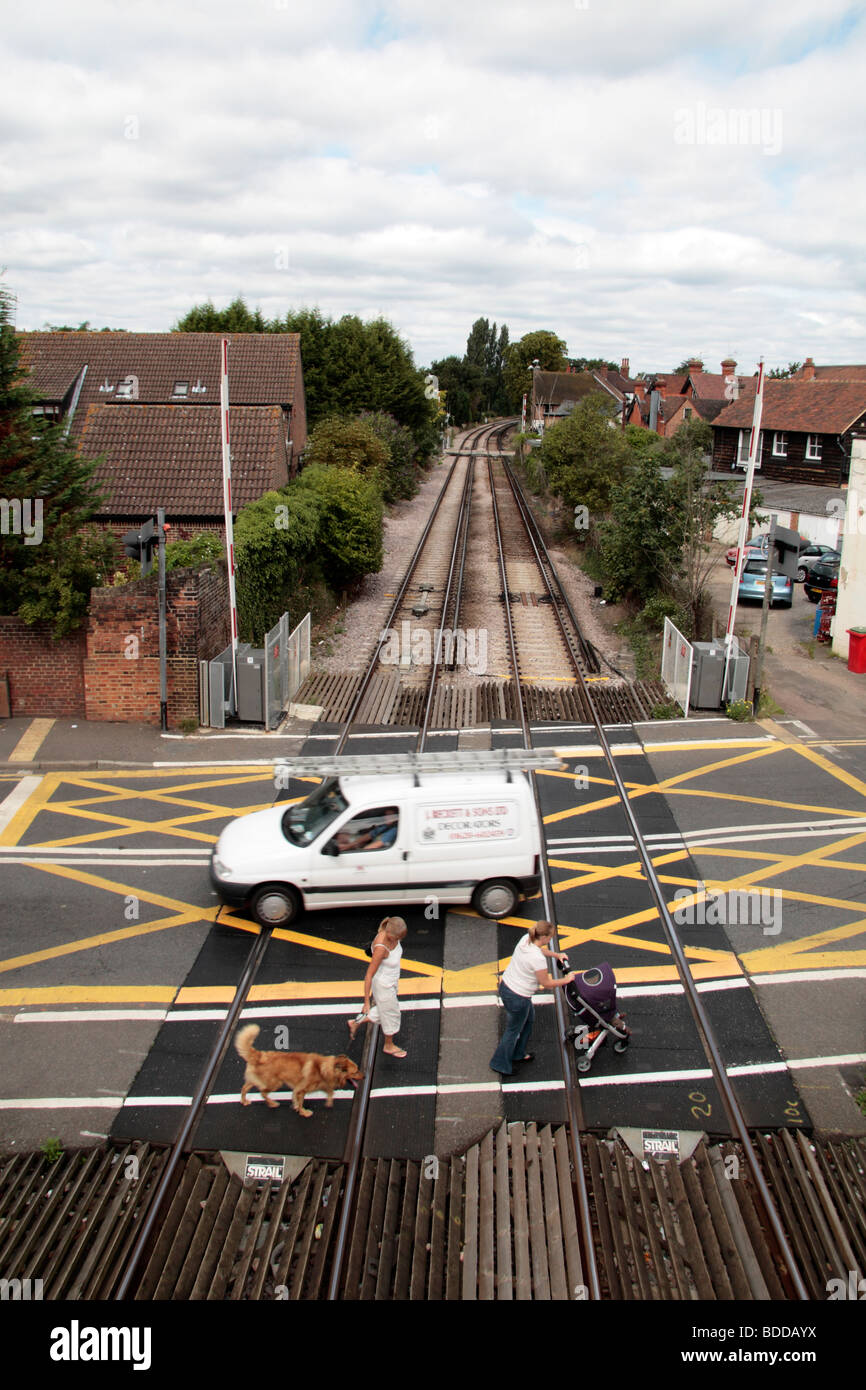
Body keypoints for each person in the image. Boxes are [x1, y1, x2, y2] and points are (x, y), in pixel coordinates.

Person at [489, 921, 576, 1077]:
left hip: (508, 987)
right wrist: (567, 979)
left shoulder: (526, 939)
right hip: (518, 996)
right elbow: (546, 983)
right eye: (550, 938)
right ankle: (500, 1063)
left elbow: (540, 951)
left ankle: (518, 1053)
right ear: (543, 937)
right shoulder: (537, 959)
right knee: (513, 1030)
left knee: (529, 1020)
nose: (550, 940)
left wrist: (556, 955)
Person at [348, 915, 408, 1058]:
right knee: (392, 1014)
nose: (398, 941)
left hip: (391, 980)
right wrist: (366, 1002)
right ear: (389, 934)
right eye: (396, 938)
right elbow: (368, 975)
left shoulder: (392, 936)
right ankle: (388, 1045)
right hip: (383, 985)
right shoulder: (381, 948)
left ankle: (355, 1022)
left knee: (385, 1010)